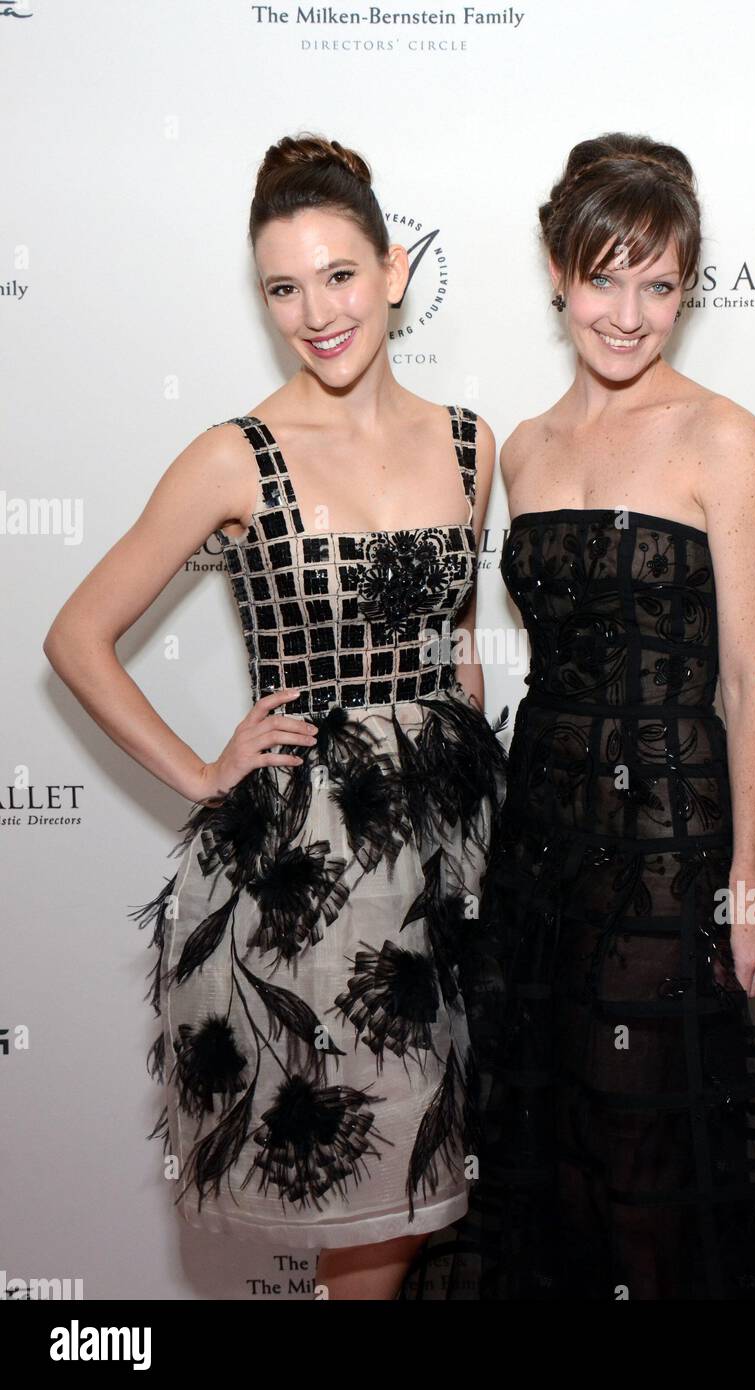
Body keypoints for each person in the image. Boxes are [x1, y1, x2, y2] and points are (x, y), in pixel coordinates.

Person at [400, 132, 755, 1300]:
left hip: (671, 852)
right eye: (605, 275)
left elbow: (751, 674)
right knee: (547, 1157)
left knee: (649, 1157)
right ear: (555, 267)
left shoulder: (723, 436)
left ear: (690, 288)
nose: (630, 314)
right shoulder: (522, 451)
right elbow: (491, 651)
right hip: (540, 843)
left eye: (661, 284)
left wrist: (747, 878)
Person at [42, 132, 507, 1301]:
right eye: (284, 289)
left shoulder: (469, 441)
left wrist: (475, 786)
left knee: (424, 1204)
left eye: (340, 276)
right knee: (363, 1220)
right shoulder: (233, 457)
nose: (317, 312)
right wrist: (202, 770)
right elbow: (76, 637)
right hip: (318, 882)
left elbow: (455, 644)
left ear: (395, 271)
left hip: (454, 865)